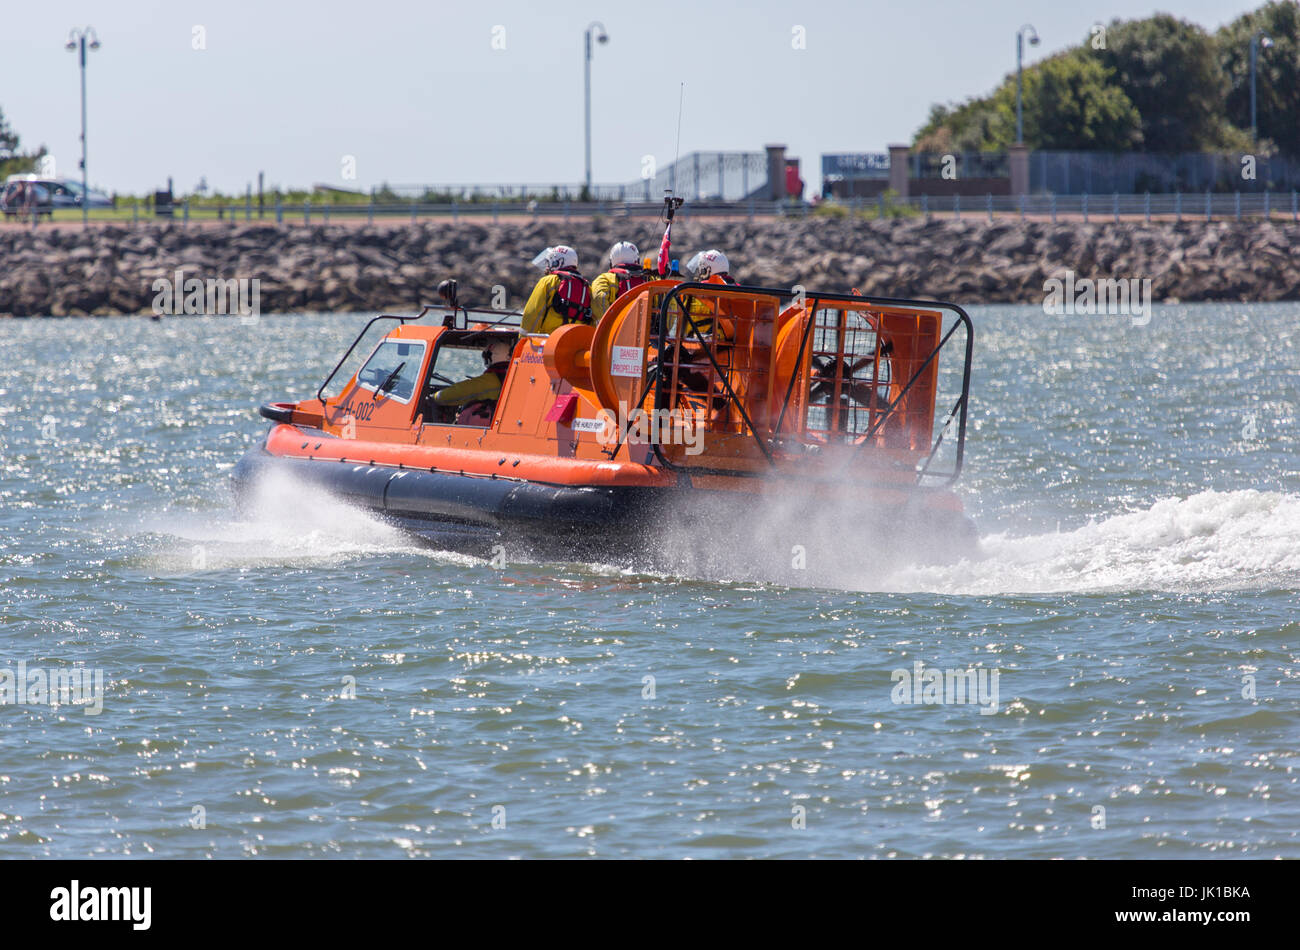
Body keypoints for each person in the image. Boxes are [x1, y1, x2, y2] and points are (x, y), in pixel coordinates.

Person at [431, 338, 513, 426]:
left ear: (489, 357)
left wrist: (435, 397)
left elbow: (459, 392)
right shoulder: (511, 376)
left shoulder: (490, 381)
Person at [521, 245, 592, 334]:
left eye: (549, 262)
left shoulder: (548, 281)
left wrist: (523, 339)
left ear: (558, 262)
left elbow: (532, 313)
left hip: (548, 340)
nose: (547, 267)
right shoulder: (587, 288)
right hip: (575, 342)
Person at [591, 241, 651, 320]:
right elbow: (670, 304)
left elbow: (599, 298)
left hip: (617, 329)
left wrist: (609, 324)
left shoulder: (604, 279)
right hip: (649, 330)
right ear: (636, 260)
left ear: (611, 262)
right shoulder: (651, 279)